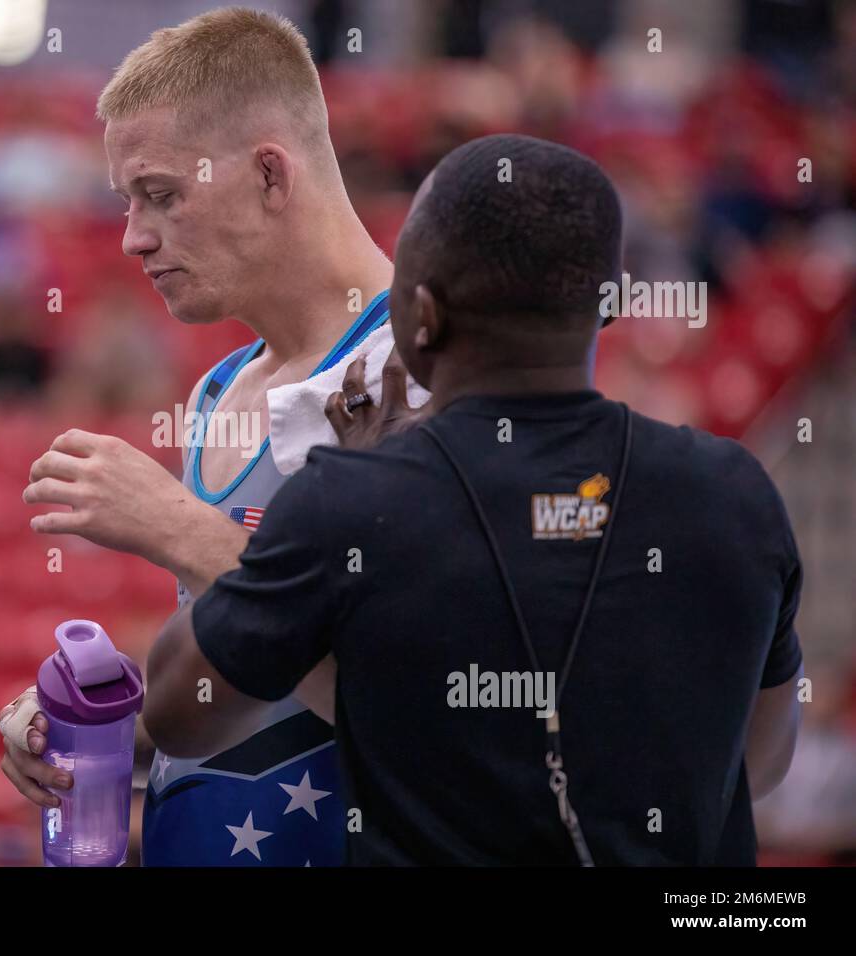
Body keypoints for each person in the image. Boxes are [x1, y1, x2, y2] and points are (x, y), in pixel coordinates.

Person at [142, 133, 805, 865]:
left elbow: (178, 714)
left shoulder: (351, 501)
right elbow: (760, 763)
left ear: (419, 313)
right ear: (607, 306)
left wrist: (221, 526)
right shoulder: (737, 495)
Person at [1, 8, 395, 865]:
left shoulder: (412, 368)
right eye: (129, 200)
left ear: (268, 175)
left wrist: (176, 525)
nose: (133, 236)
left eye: (162, 195)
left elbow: (413, 690)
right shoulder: (219, 391)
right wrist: (100, 721)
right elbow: (240, 678)